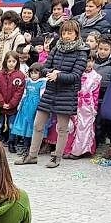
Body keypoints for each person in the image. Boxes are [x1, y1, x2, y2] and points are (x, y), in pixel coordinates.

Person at [23, 19, 88, 168]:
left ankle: (57, 157)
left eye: (70, 33)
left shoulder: (82, 52)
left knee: (62, 128)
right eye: (64, 32)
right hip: (51, 90)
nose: (66, 35)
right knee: (38, 124)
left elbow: (76, 75)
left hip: (66, 94)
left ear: (76, 34)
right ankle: (32, 155)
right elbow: (44, 68)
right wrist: (51, 73)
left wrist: (59, 75)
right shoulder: (56, 48)